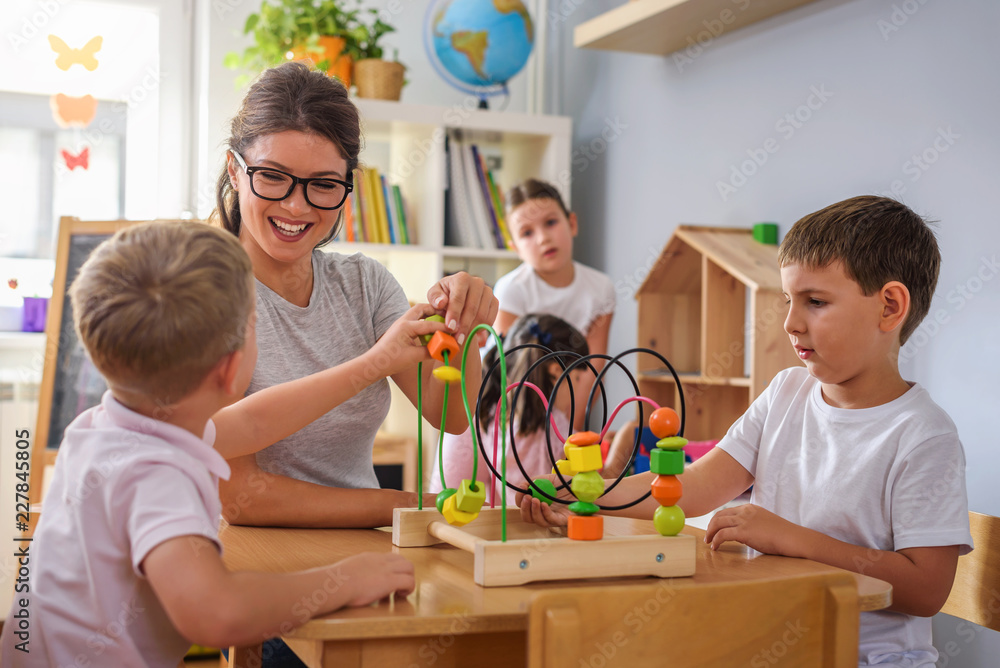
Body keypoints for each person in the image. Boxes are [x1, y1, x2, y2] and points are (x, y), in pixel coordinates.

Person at [519, 196, 973, 666]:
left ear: (890, 307)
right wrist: (586, 495)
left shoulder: (923, 436)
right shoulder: (785, 393)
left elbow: (925, 591)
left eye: (815, 302)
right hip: (775, 643)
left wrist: (790, 538)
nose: (791, 323)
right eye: (789, 301)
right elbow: (690, 487)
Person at [0, 222, 432, 667]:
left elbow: (253, 421)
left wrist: (376, 362)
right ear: (229, 370)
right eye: (255, 324)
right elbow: (217, 613)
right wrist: (343, 580)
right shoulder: (156, 474)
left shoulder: (110, 427)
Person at [212, 61, 498, 530]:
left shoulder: (365, 284)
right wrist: (410, 504)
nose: (296, 205)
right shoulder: (201, 293)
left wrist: (461, 327)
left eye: (324, 184)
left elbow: (448, 415)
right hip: (244, 555)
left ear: (347, 189)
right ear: (235, 170)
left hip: (364, 547)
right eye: (273, 176)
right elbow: (243, 498)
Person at [429, 313, 637, 503]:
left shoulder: (480, 411)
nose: (580, 388)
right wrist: (620, 451)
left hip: (448, 514)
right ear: (557, 373)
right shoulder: (551, 424)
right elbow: (585, 493)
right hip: (518, 531)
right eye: (577, 378)